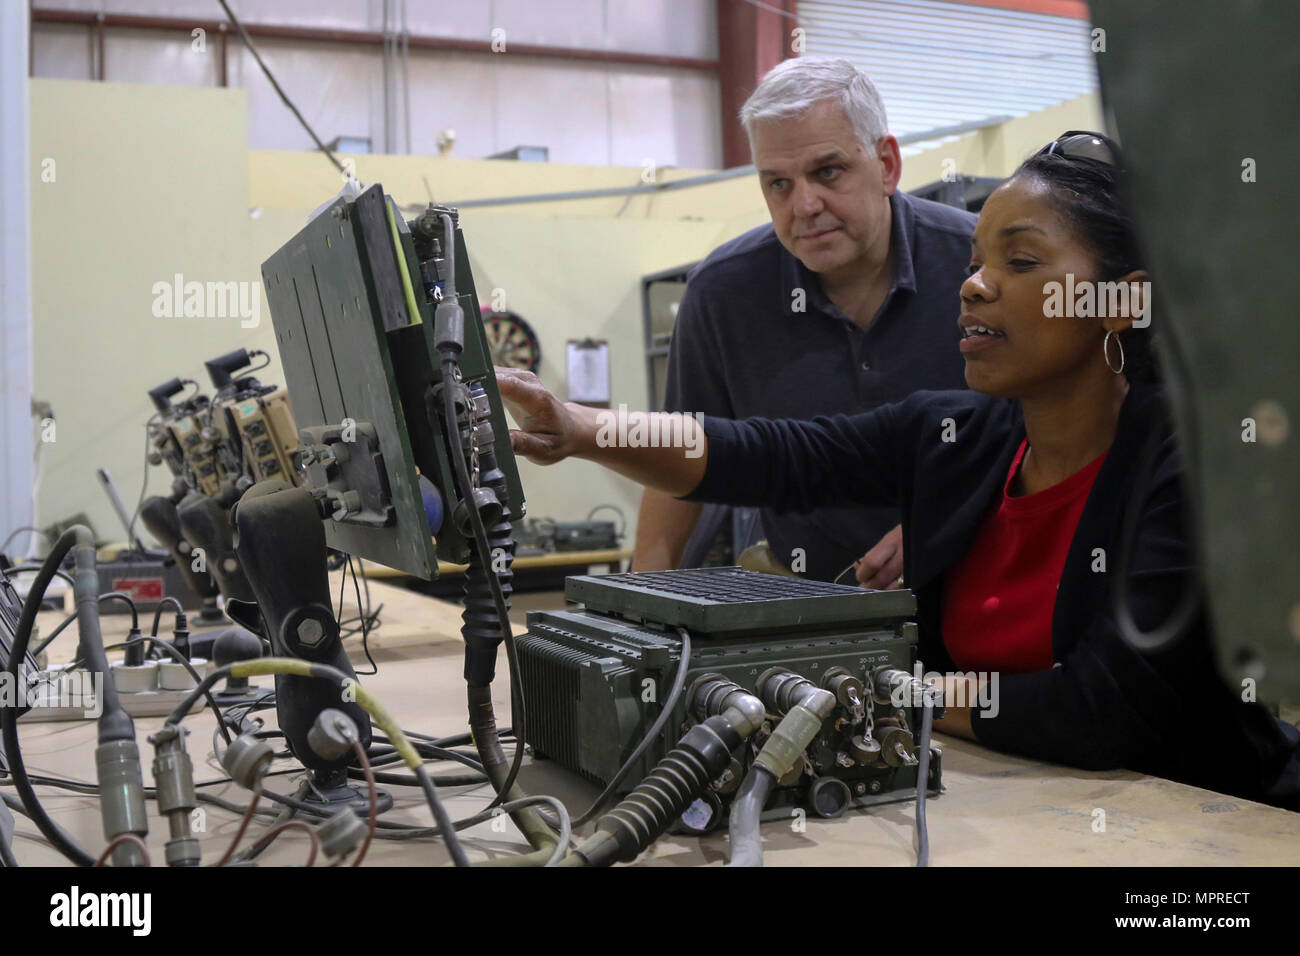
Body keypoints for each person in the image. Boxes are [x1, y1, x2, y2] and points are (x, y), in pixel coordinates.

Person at [496, 132, 1300, 806]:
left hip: (1208, 830)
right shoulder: (957, 435)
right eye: (977, 258)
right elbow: (770, 455)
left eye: (1019, 263)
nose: (975, 286)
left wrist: (880, 688)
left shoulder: (1193, 464)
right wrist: (586, 427)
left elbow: (1101, 710)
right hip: (1023, 811)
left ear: (1121, 303)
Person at [637, 56, 974, 587]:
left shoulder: (982, 268)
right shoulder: (724, 296)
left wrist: (951, 524)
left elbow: (1057, 440)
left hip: (983, 588)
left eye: (827, 171)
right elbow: (679, 462)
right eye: (778, 184)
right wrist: (636, 616)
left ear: (886, 164)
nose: (804, 205)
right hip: (812, 603)